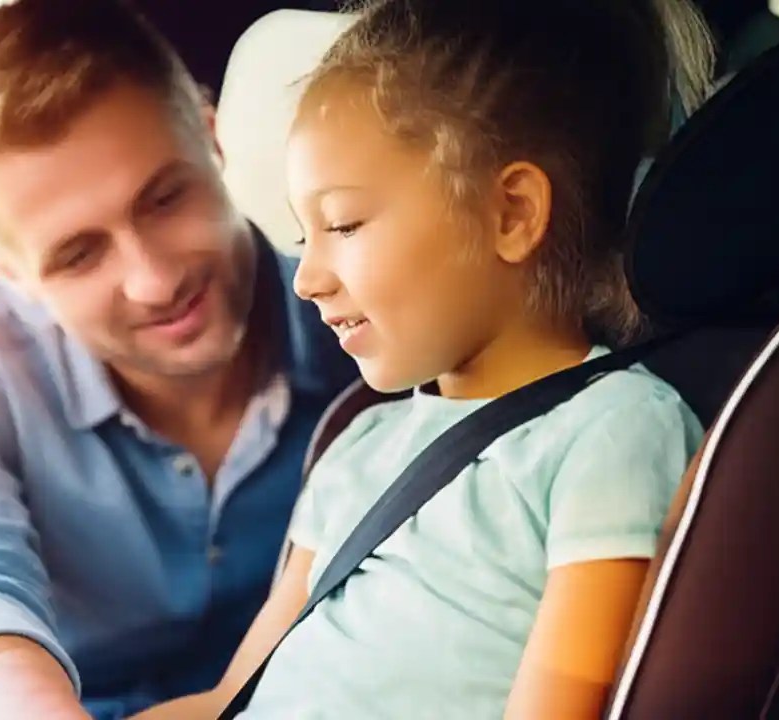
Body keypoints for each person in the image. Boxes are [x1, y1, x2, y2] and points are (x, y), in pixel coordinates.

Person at [132, 0, 715, 717]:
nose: (307, 277)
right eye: (301, 234)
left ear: (511, 214)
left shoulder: (611, 434)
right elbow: (229, 700)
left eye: (342, 223)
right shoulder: (360, 449)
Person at [0, 1, 357, 719]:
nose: (154, 279)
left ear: (212, 143)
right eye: (79, 254)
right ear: (12, 273)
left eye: (164, 198)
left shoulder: (377, 337)